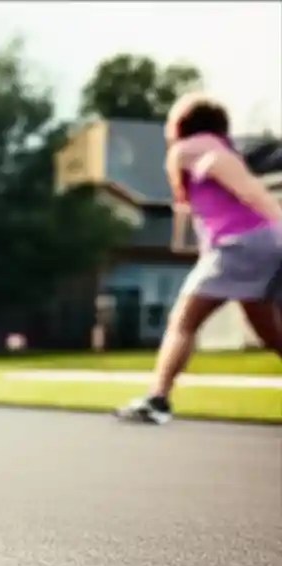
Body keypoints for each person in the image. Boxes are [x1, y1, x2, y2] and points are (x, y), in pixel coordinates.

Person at [116, 92, 282, 424]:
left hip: (239, 244)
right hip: (261, 244)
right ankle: (157, 398)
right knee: (270, 332)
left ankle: (157, 399)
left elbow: (247, 189)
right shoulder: (220, 147)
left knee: (184, 322)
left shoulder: (190, 149)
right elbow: (192, 206)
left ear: (182, 124)